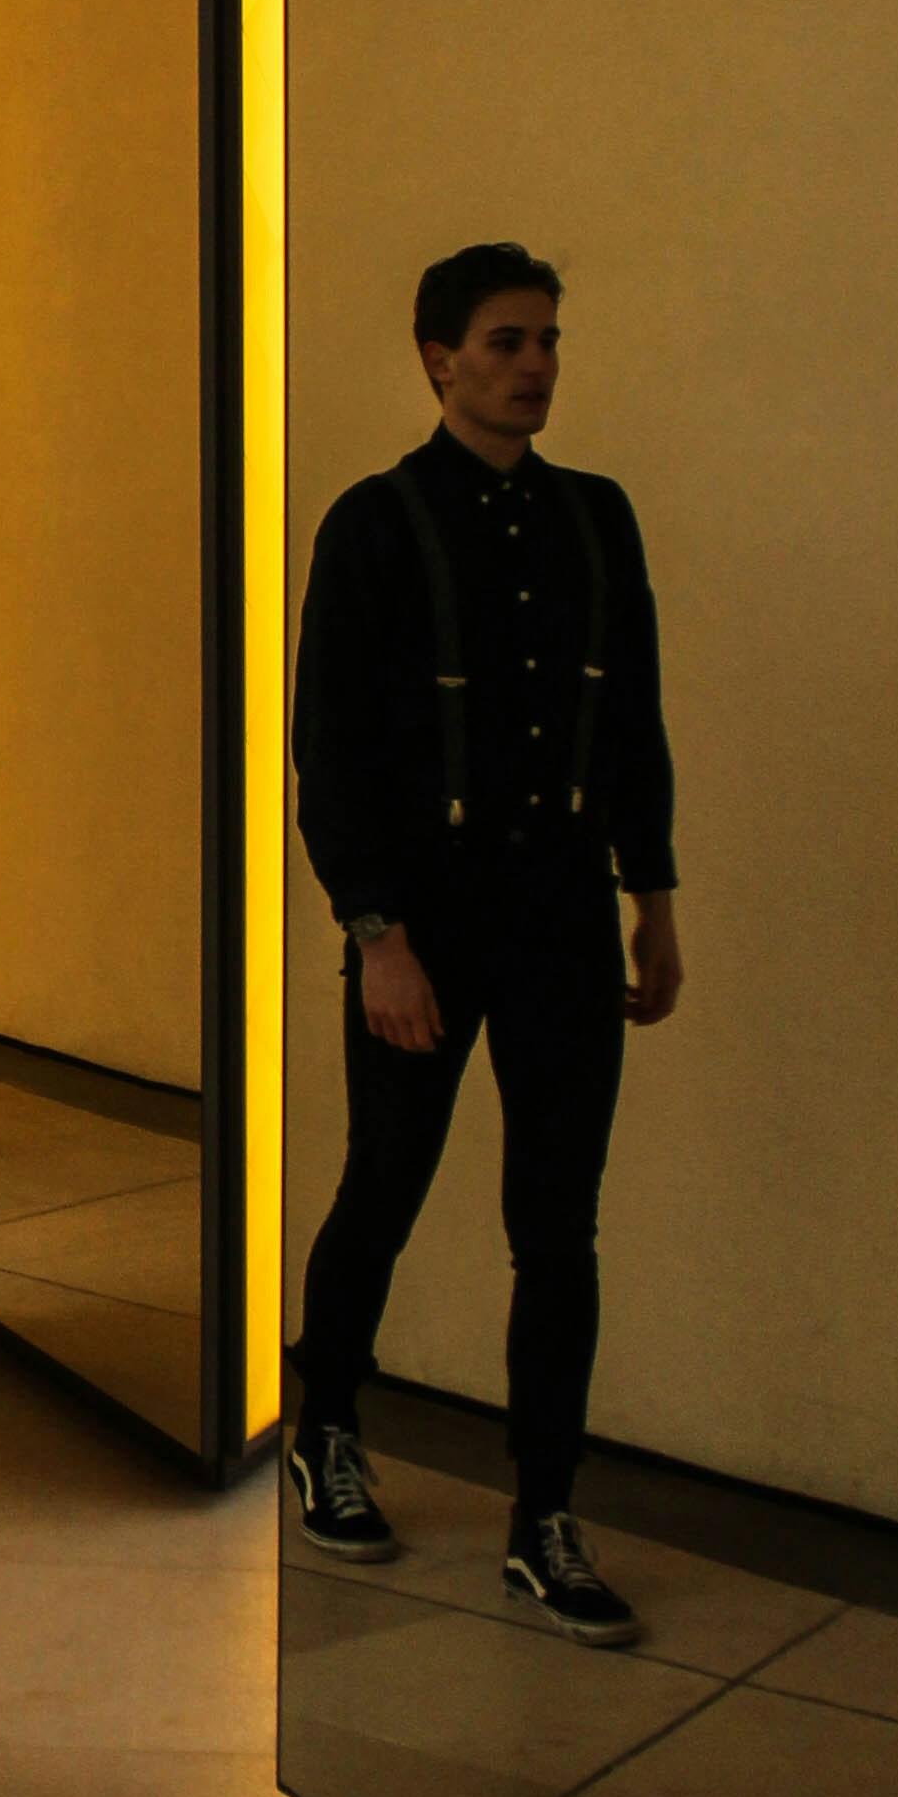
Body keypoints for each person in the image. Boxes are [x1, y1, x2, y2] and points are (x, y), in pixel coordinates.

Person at [286, 243, 681, 1647]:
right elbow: (325, 753)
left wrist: (656, 894)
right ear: (439, 359)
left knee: (557, 1230)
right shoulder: (375, 525)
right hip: (426, 925)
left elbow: (631, 717)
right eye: (509, 342)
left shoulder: (597, 520)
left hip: (565, 918)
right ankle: (323, 1419)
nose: (536, 366)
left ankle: (543, 1519)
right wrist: (376, 937)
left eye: (550, 342)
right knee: (384, 1184)